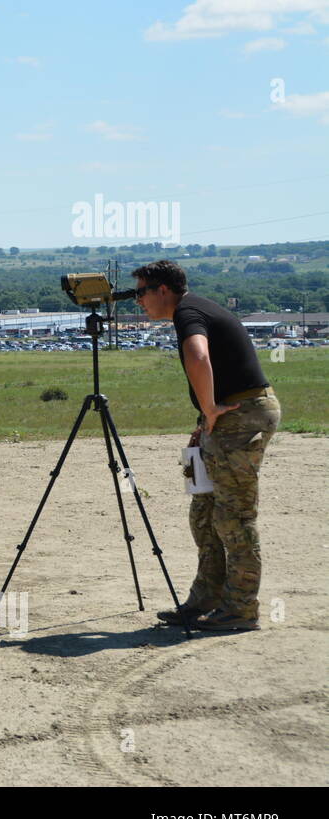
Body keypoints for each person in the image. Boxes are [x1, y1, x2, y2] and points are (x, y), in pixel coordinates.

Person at [133, 260, 280, 631]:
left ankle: (242, 609)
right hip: (233, 415)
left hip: (240, 415)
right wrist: (206, 419)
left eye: (141, 293)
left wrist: (211, 407)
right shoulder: (193, 308)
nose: (138, 302)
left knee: (234, 517)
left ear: (162, 290)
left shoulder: (188, 311)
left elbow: (198, 355)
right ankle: (207, 599)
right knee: (205, 514)